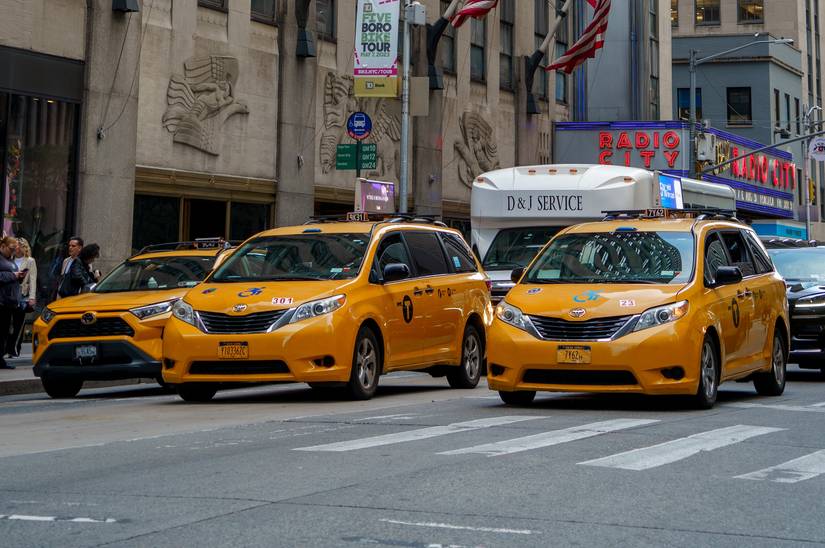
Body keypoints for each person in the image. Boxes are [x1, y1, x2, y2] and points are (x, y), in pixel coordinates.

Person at [7, 238, 37, 358]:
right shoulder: (10, 259)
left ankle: (14, 349)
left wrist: (32, 297)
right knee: (9, 323)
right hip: (10, 295)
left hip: (22, 295)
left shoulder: (30, 261)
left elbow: (33, 279)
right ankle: (6, 347)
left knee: (19, 324)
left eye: (16, 245)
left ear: (22, 247)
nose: (14, 247)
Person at [0, 236, 25, 369]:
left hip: (9, 302)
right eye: (11, 249)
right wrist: (13, 275)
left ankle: (1, 359)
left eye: (14, 249)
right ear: (3, 246)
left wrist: (19, 277)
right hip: (2, 301)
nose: (13, 252)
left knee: (4, 332)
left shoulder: (10, 260)